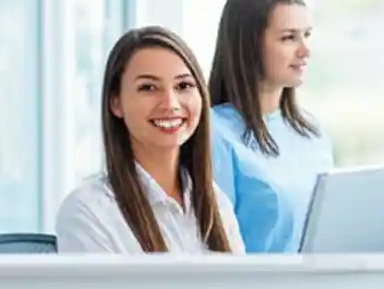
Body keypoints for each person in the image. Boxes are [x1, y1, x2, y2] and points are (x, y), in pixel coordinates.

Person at [56, 26, 244, 254]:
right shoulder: (88, 210)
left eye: (183, 86)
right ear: (116, 102)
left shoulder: (216, 203)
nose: (171, 103)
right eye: (148, 88)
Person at [208, 0, 334, 253]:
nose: (305, 50)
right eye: (289, 37)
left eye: (307, 35)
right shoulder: (213, 132)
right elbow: (215, 248)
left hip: (318, 287)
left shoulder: (313, 131)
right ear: (249, 46)